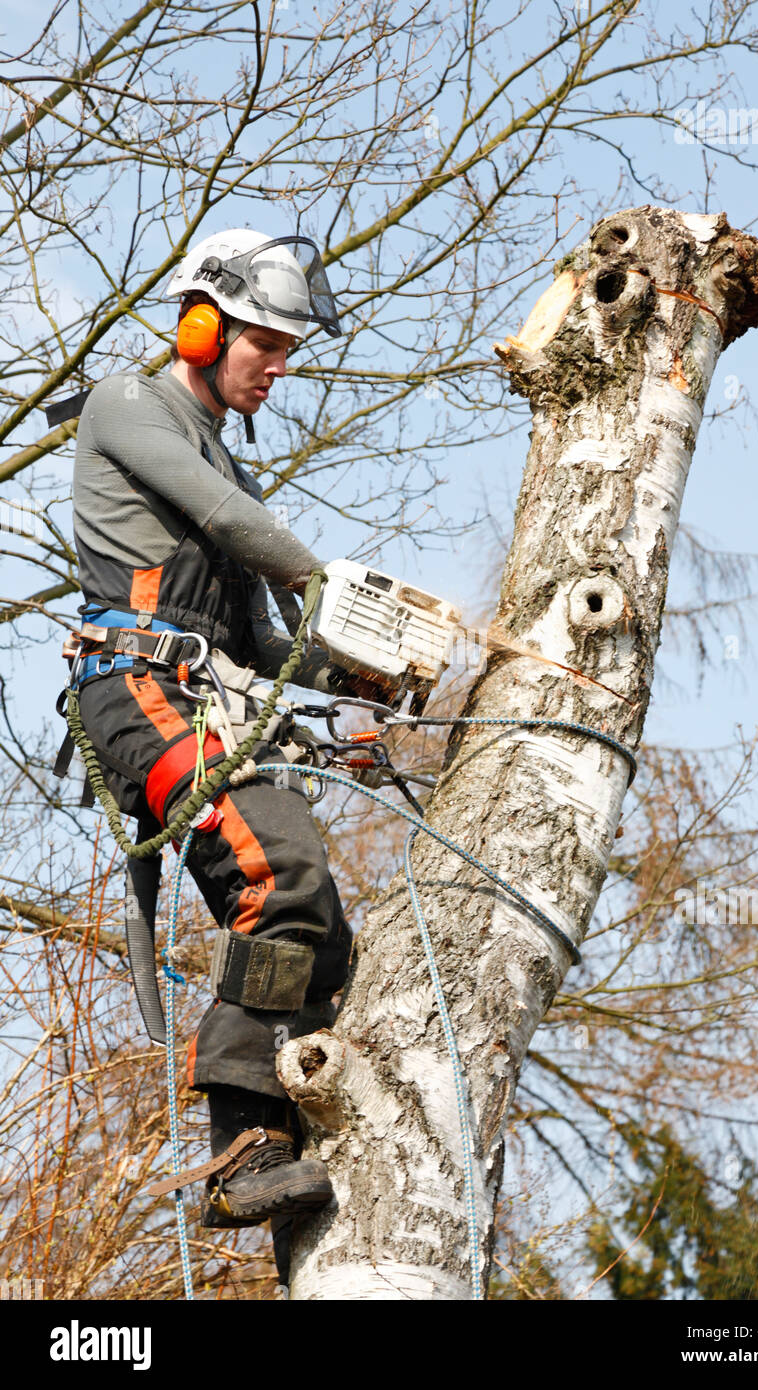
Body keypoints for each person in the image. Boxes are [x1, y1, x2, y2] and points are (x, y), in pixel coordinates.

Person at [68, 229, 360, 1273]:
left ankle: (280, 1140)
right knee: (281, 871)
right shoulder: (129, 404)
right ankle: (237, 1155)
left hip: (207, 698)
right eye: (268, 345)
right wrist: (334, 587)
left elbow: (261, 644)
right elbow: (237, 523)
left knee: (321, 932)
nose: (280, 368)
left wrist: (352, 684)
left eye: (288, 350)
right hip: (138, 690)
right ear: (204, 323)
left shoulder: (218, 450)